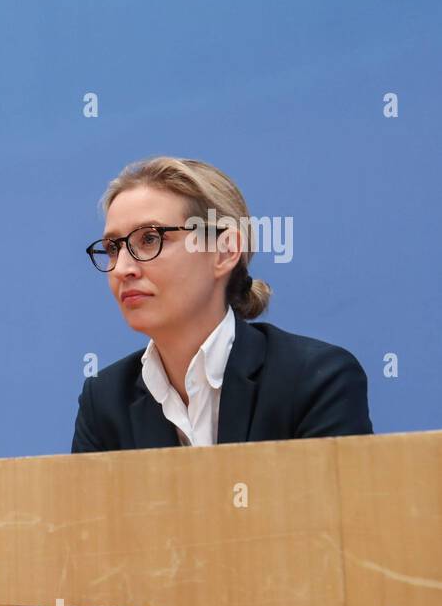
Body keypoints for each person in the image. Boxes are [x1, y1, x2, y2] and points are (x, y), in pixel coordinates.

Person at [72, 156, 372, 452]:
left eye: (150, 239)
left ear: (225, 252)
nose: (122, 268)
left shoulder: (315, 379)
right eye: (113, 248)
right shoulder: (104, 401)